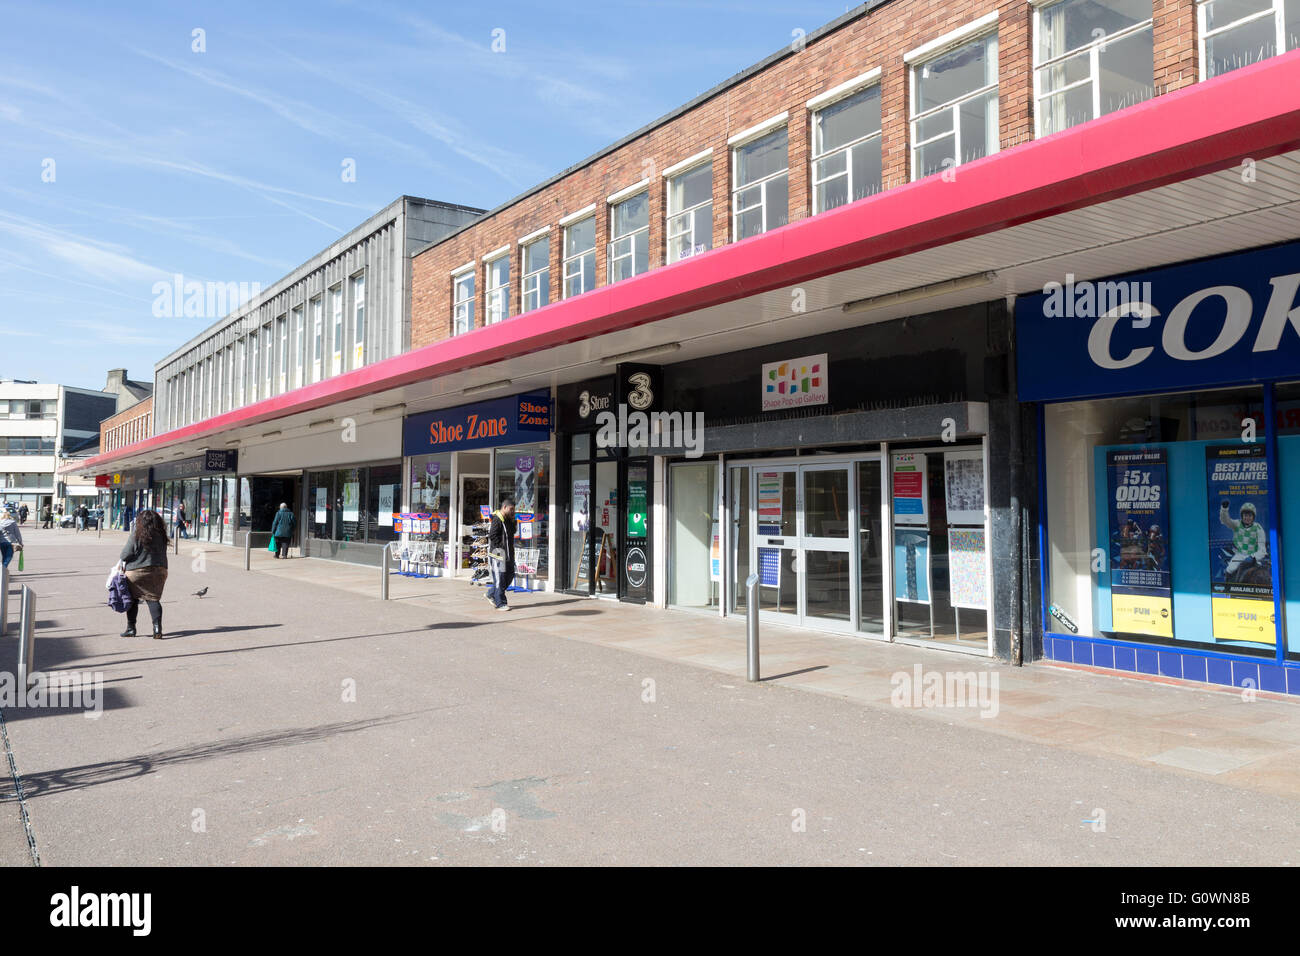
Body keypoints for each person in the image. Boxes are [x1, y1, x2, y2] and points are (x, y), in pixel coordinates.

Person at [118, 509, 169, 639]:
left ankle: (131, 628)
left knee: (133, 599)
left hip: (137, 572)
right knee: (153, 599)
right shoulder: (161, 534)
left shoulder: (137, 533)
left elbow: (125, 554)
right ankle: (157, 629)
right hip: (159, 571)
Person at [1221, 500, 1267, 580]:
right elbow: (1226, 521)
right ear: (1242, 516)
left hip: (1253, 557)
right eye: (1245, 515)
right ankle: (1227, 587)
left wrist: (1253, 557)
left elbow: (1262, 550)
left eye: (1250, 516)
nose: (1247, 518)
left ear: (1253, 517)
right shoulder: (1236, 524)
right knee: (1230, 569)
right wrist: (1224, 510)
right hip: (1240, 555)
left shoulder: (1258, 528)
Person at [485, 497, 517, 611]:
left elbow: (512, 533)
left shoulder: (509, 519)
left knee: (509, 576)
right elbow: (492, 536)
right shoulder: (497, 519)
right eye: (511, 509)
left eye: (514, 509)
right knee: (500, 578)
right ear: (504, 507)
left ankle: (491, 593)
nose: (513, 511)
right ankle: (500, 603)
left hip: (509, 554)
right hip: (498, 554)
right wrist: (501, 547)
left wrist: (513, 521)